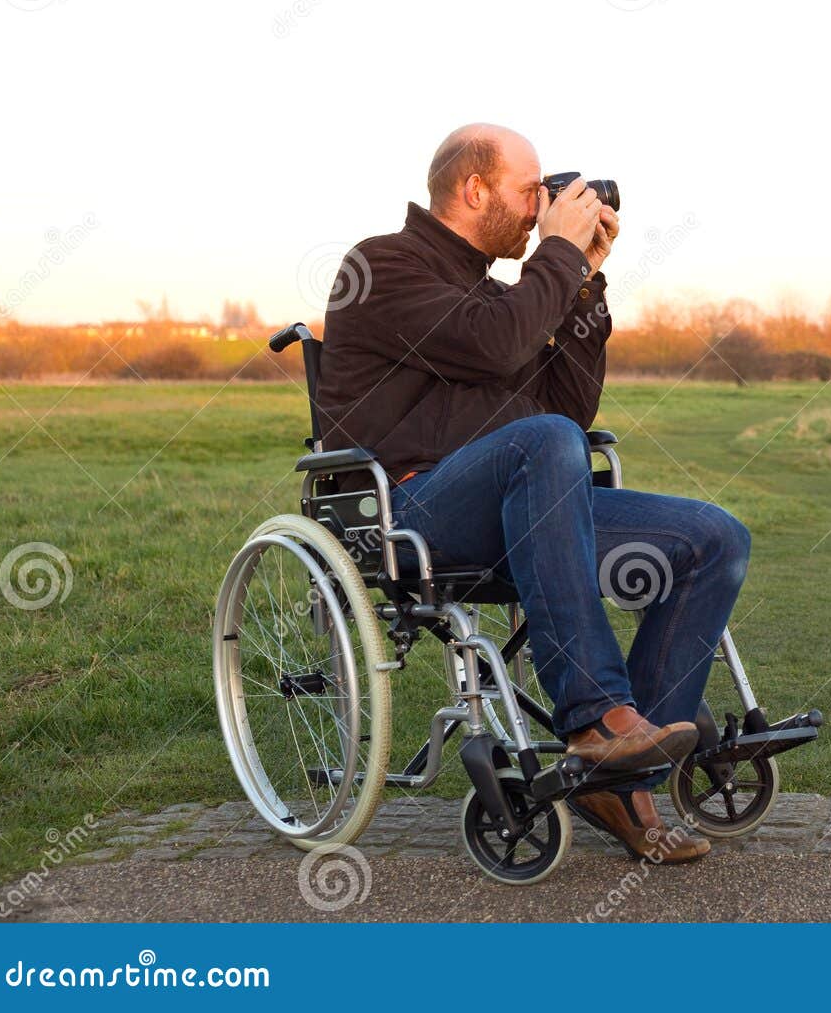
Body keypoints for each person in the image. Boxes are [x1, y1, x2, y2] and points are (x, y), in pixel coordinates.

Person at [316, 123, 750, 863]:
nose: (538, 207)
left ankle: (623, 775)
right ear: (473, 188)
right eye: (530, 190)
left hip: (530, 513)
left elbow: (569, 409)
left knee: (714, 538)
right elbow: (498, 347)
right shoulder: (385, 265)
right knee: (543, 440)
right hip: (411, 514)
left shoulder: (500, 295)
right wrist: (556, 255)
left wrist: (584, 282)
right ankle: (594, 719)